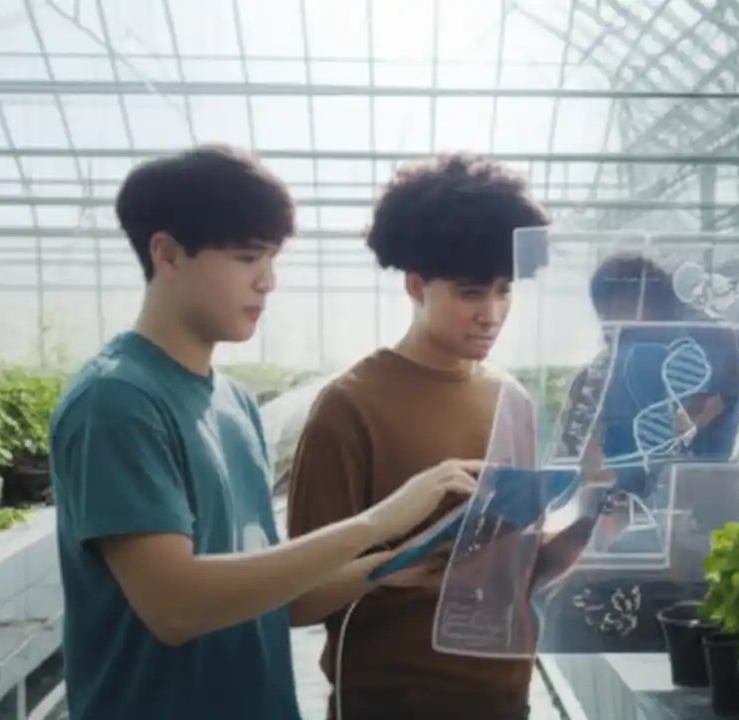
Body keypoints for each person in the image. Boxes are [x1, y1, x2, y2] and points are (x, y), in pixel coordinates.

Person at [48, 145, 479, 720]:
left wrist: (395, 563)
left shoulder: (235, 404)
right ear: (168, 253)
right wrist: (377, 522)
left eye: (273, 259)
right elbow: (174, 605)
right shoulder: (118, 400)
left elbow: (281, 599)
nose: (268, 282)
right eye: (248, 258)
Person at [285, 153, 551, 720]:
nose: (492, 313)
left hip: (503, 698)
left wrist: (605, 514)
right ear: (415, 284)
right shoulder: (350, 406)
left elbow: (522, 567)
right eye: (471, 293)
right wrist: (398, 565)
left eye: (505, 290)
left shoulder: (513, 402)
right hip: (388, 702)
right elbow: (300, 598)